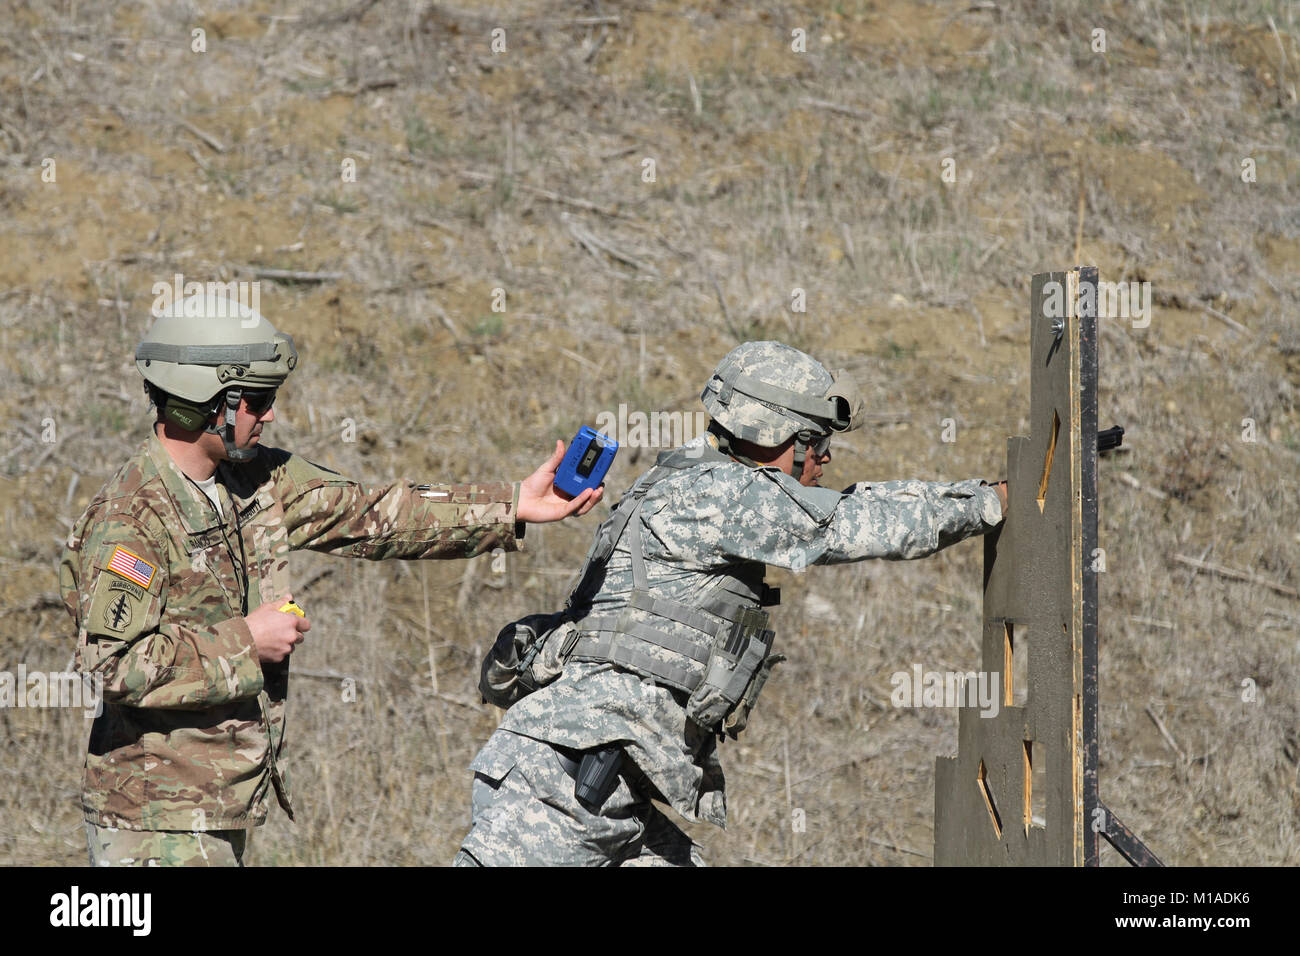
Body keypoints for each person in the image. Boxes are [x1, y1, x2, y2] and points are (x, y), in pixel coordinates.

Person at [60, 295, 602, 867]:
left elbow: (376, 514)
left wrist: (512, 504)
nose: (268, 415)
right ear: (203, 403)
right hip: (153, 822)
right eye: (257, 400)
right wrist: (249, 641)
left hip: (217, 807)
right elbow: (115, 663)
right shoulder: (129, 520)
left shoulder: (257, 478)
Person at [455, 340, 1008, 866]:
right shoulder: (722, 494)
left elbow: (841, 505)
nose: (825, 458)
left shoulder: (679, 481)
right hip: (560, 791)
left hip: (596, 785)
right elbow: (855, 523)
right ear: (776, 436)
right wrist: (990, 501)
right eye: (815, 442)